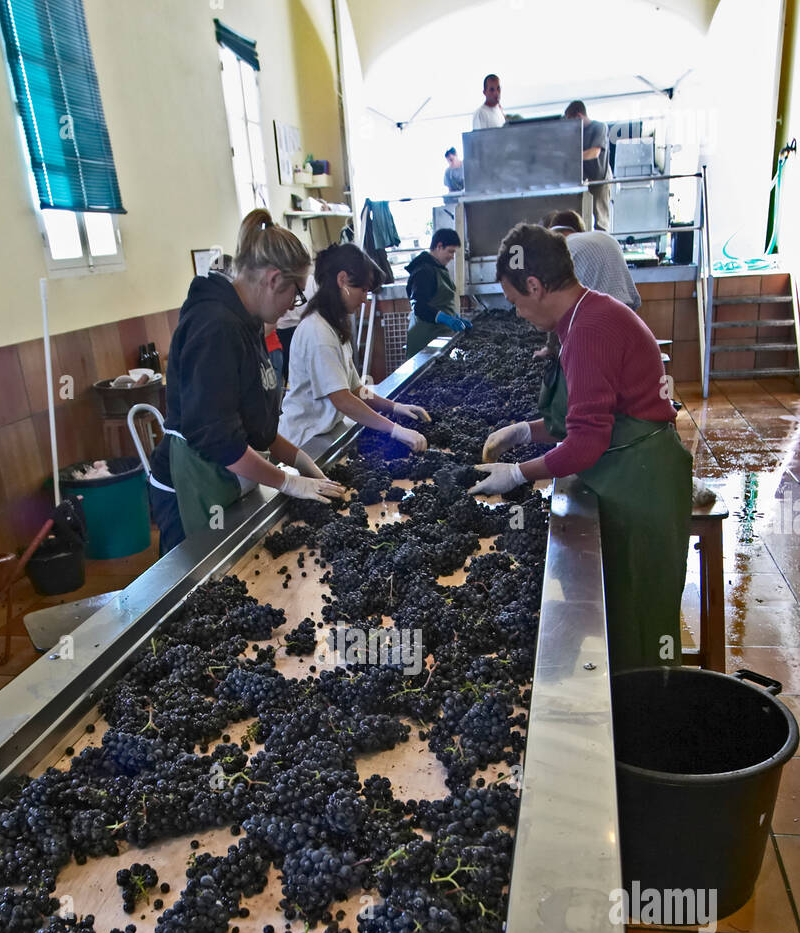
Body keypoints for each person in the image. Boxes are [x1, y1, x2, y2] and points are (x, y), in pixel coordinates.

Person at [471, 223, 692, 673]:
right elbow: (588, 416)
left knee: (642, 611)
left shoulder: (589, 330)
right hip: (628, 471)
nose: (517, 315)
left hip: (640, 485)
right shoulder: (582, 318)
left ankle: (652, 708)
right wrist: (525, 431)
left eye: (515, 302)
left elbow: (587, 443)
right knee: (622, 609)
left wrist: (518, 473)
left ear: (534, 285)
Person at [148, 209, 344, 554]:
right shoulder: (214, 326)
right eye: (295, 294)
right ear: (272, 280)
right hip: (192, 484)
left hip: (228, 478)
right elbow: (219, 438)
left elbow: (255, 424)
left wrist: (300, 461)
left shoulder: (248, 322)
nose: (293, 306)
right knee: (202, 583)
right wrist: (288, 482)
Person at [280, 243, 430, 453]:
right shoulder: (318, 332)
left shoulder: (333, 325)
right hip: (305, 441)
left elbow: (356, 390)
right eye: (363, 289)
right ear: (342, 280)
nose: (364, 298)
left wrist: (394, 407)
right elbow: (342, 399)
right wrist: (394, 429)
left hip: (325, 434)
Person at [543, 210, 640, 310]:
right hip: (626, 309)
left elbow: (554, 298)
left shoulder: (562, 247)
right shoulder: (606, 237)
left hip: (594, 313)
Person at [405, 229, 471, 357]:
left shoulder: (438, 269)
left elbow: (440, 301)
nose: (452, 257)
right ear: (439, 246)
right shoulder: (424, 271)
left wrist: (453, 316)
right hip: (425, 341)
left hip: (437, 338)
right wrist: (444, 318)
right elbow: (419, 306)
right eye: (450, 252)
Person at [564, 100, 611, 231]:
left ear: (579, 116)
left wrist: (572, 157)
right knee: (579, 217)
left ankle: (603, 247)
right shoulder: (576, 133)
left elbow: (594, 152)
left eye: (571, 121)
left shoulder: (599, 127)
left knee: (601, 218)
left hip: (600, 179)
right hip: (584, 181)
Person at [276, 271, 316, 386]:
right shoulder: (309, 280)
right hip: (283, 330)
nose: (292, 306)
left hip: (300, 328)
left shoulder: (310, 280)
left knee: (295, 374)